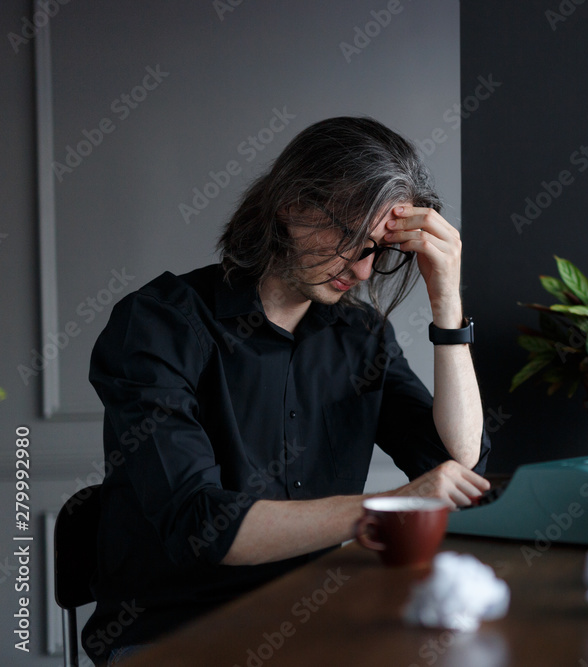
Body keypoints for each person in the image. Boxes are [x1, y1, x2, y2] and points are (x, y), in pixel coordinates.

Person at [83, 117, 491, 664]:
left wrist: (447, 305)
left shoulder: (362, 336)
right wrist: (389, 506)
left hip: (315, 626)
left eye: (380, 251)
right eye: (353, 241)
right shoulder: (159, 324)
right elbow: (200, 524)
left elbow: (458, 462)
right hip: (170, 638)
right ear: (294, 205)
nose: (366, 272)